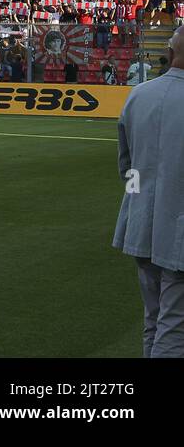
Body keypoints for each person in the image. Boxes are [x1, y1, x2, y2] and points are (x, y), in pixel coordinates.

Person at [113, 26, 184, 357]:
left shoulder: (138, 94)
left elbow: (126, 167)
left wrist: (140, 195)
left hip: (141, 221)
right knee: (174, 325)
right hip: (177, 229)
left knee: (154, 319)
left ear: (170, 53)